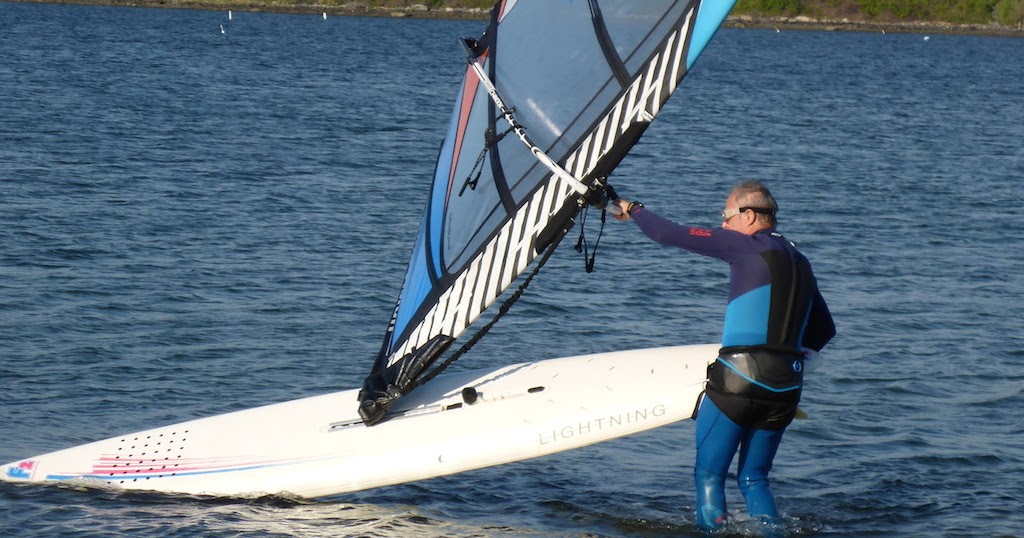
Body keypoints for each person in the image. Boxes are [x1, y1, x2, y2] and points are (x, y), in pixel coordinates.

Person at [613, 180, 835, 531]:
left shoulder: (746, 245)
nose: (722, 224)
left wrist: (633, 209)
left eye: (726, 216)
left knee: (710, 475)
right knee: (755, 479)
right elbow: (824, 330)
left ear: (749, 215)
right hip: (787, 387)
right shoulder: (802, 263)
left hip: (738, 381)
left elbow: (667, 233)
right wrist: (781, 355)